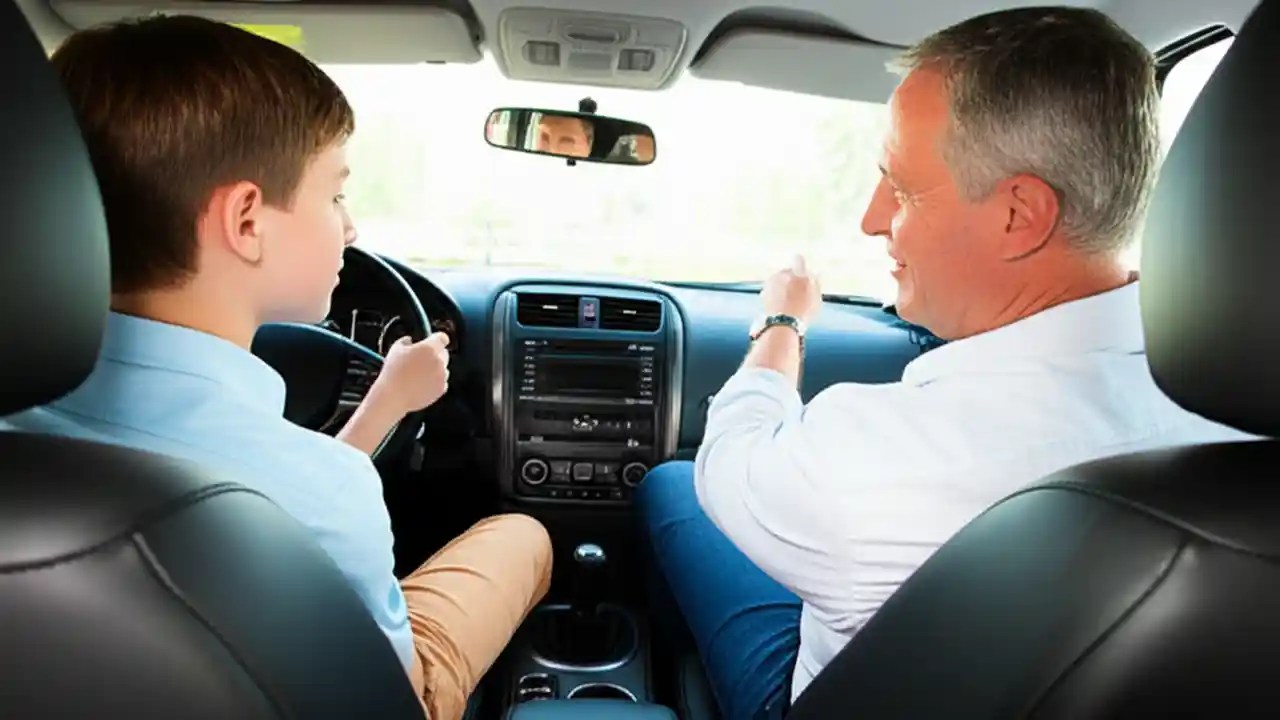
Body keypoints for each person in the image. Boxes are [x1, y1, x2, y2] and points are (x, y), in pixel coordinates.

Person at [635, 7, 1258, 720]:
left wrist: (781, 325)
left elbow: (732, 463)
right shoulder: (1233, 419)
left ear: (1019, 215)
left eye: (900, 188)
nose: (872, 219)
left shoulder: (890, 460)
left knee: (673, 483)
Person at [5, 16, 550, 720]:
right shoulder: (329, 493)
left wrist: (384, 403)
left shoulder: (18, 421)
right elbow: (385, 694)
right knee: (523, 535)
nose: (350, 229)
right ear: (246, 222)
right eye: (335, 193)